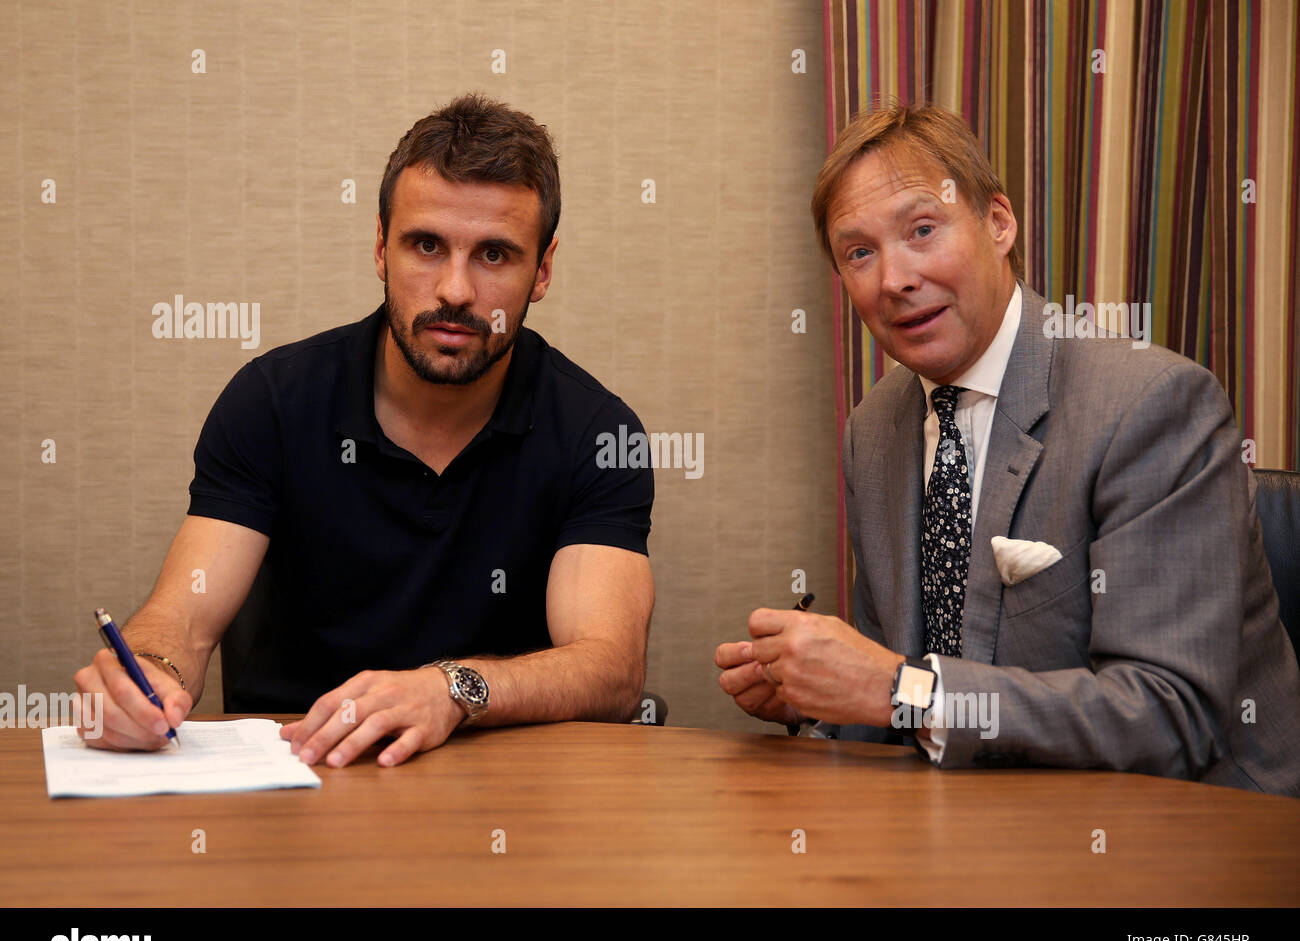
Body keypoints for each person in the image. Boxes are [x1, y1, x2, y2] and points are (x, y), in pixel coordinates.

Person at [716, 102, 1300, 796]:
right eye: (859, 253)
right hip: (978, 826)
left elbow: (1169, 719)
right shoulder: (874, 431)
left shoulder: (1153, 404)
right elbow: (903, 702)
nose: (894, 279)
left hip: (1197, 838)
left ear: (998, 224)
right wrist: (820, 701)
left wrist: (899, 691)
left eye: (923, 230)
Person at [76, 94, 655, 768]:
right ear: (381, 247)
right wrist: (146, 675)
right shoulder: (272, 402)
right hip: (298, 780)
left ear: (543, 270)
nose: (455, 290)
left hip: (506, 793)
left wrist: (453, 690)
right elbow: (184, 621)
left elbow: (611, 670)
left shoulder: (598, 432)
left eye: (494, 255)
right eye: (426, 245)